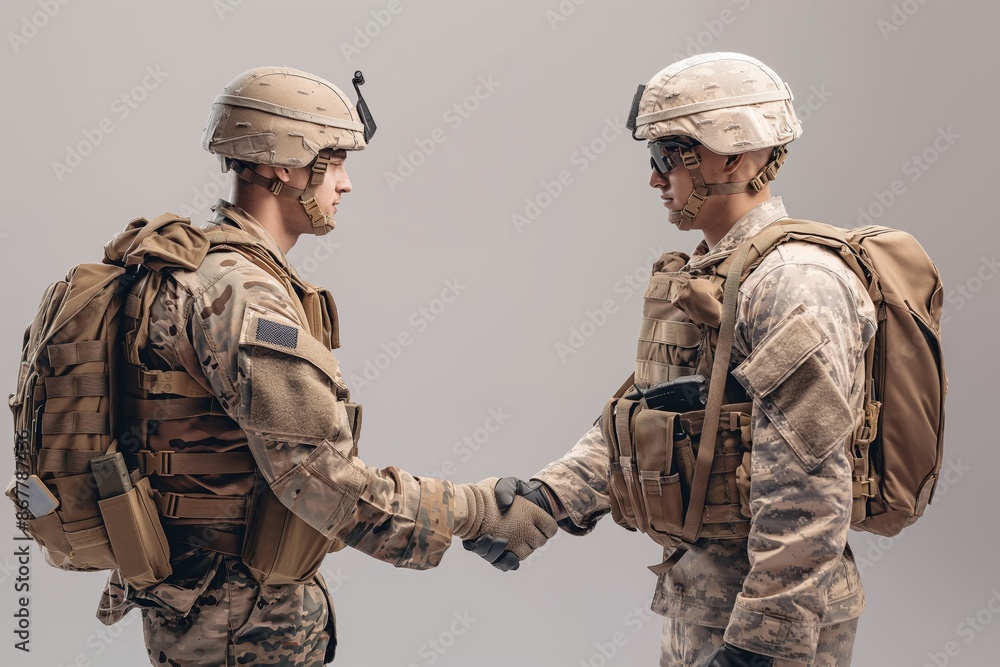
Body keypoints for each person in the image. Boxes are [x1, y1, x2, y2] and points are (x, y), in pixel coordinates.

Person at [92, 66, 557, 667]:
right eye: (333, 161)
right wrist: (477, 511)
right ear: (283, 166)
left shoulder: (193, 271)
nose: (345, 184)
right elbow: (321, 479)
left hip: (209, 609)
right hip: (240, 622)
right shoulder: (241, 294)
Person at [472, 53, 875, 666]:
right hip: (705, 598)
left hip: (772, 619)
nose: (656, 180)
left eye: (667, 158)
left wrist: (760, 646)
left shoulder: (795, 284)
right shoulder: (712, 277)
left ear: (732, 157)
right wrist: (548, 499)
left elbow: (811, 487)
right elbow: (655, 422)